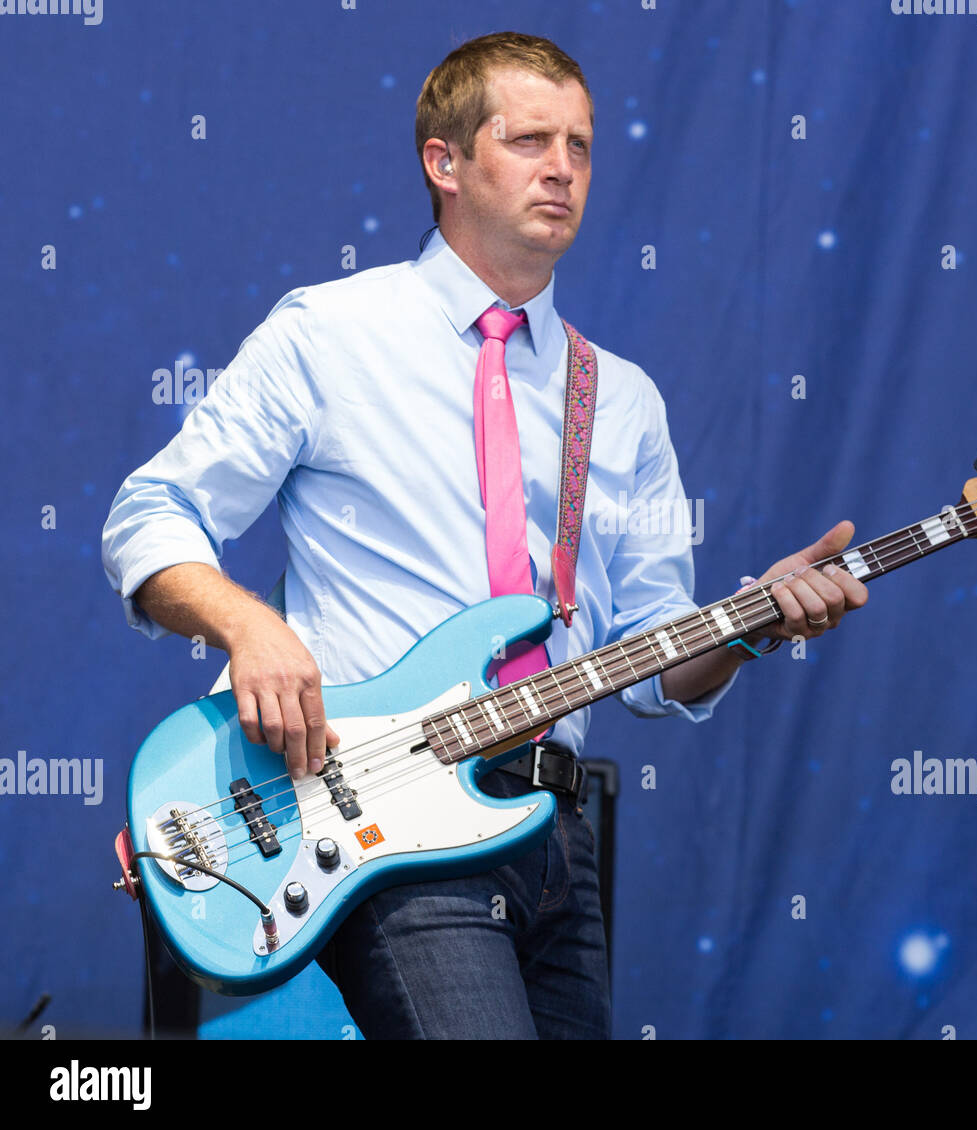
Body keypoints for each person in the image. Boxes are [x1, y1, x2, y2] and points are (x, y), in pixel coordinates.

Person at [102, 31, 867, 1039]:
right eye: (530, 139)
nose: (562, 167)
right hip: (383, 818)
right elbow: (149, 513)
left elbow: (652, 661)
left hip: (557, 833)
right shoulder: (329, 334)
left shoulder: (622, 398)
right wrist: (251, 627)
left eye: (582, 146)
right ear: (444, 161)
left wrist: (751, 625)